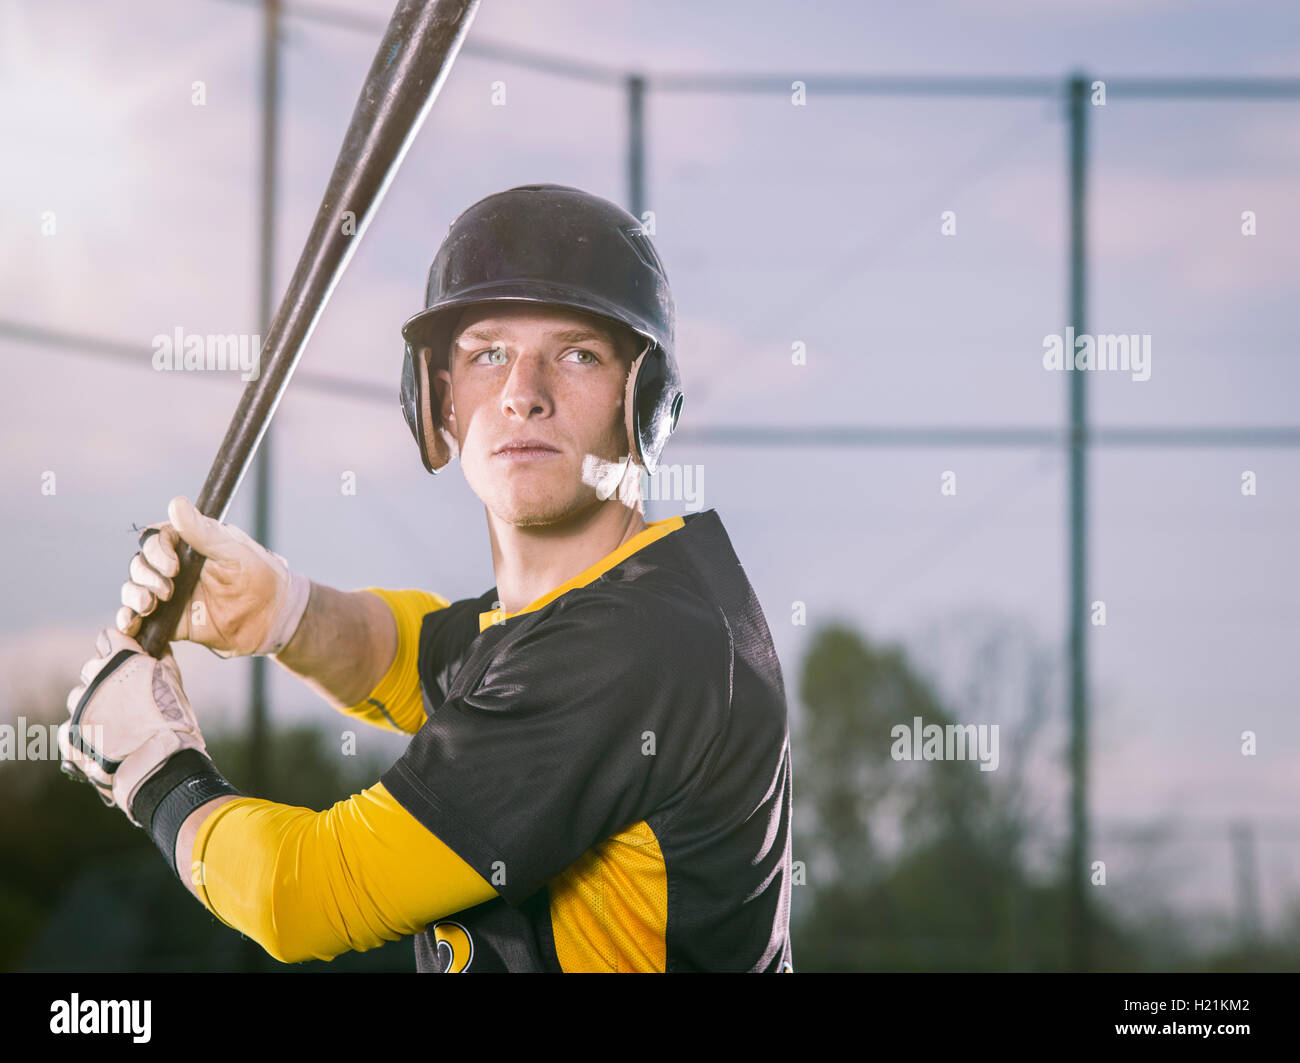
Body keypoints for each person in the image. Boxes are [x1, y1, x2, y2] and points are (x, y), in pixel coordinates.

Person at [60, 184, 794, 973]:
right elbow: (407, 652)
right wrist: (281, 609)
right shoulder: (576, 616)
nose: (524, 393)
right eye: (487, 353)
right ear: (439, 400)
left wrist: (154, 764)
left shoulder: (641, 643)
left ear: (644, 400)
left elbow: (303, 894)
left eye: (577, 353)